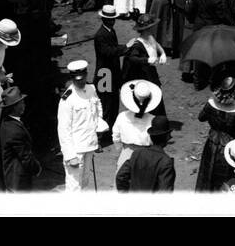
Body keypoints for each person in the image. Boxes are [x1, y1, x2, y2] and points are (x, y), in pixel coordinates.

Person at [57, 60, 106, 192]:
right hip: (76, 149)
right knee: (74, 187)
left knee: (85, 182)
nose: (80, 81)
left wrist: (98, 124)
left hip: (89, 145)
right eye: (77, 79)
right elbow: (63, 129)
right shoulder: (67, 99)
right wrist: (69, 155)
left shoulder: (91, 89)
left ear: (86, 74)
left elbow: (97, 106)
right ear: (72, 78)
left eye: (83, 78)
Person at [195, 75, 235, 192]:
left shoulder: (210, 104)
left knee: (207, 171)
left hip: (211, 142)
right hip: (227, 146)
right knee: (224, 177)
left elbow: (201, 118)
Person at [115, 114, 176, 193]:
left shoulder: (137, 154)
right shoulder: (165, 162)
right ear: (167, 137)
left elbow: (121, 176)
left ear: (151, 136)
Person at [0, 86, 41, 193]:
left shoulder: (6, 123)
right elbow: (26, 157)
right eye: (21, 103)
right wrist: (37, 168)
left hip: (11, 179)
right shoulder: (15, 131)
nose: (24, 104)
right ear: (15, 107)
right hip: (19, 182)